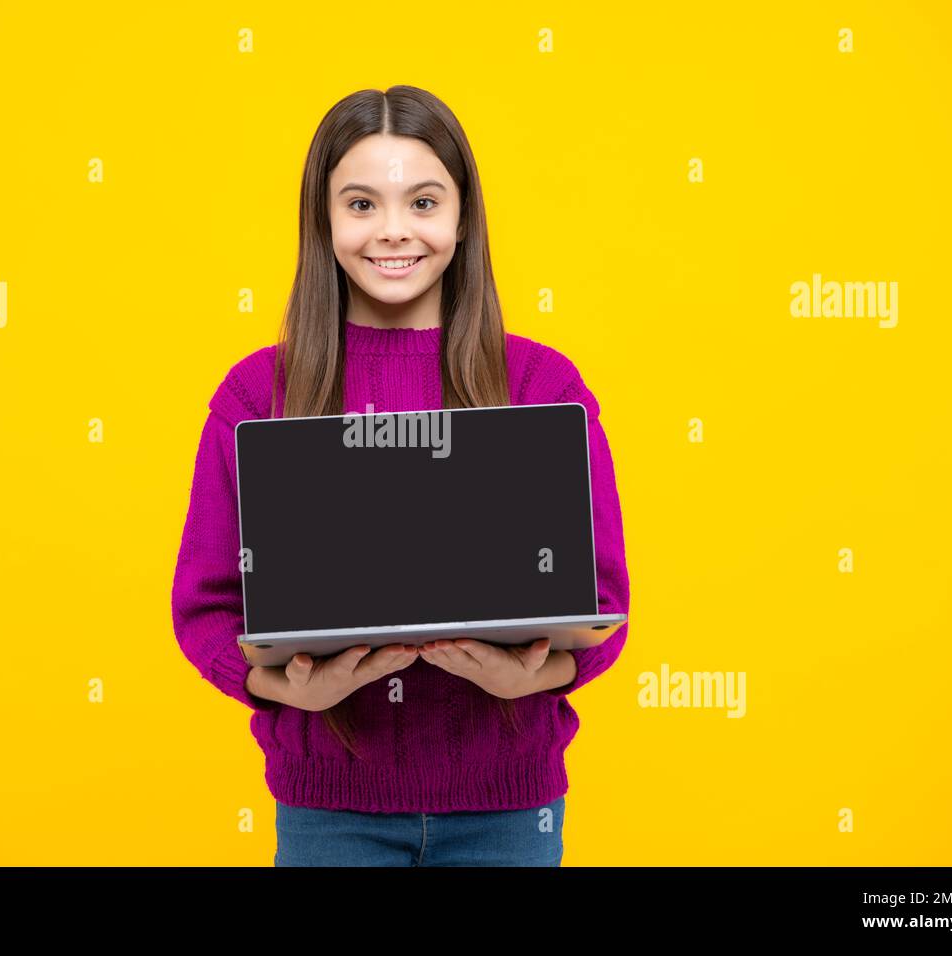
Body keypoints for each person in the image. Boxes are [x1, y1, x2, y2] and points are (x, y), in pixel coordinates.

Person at [171, 85, 631, 866]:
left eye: (422, 201)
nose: (392, 231)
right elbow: (206, 607)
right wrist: (279, 691)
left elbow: (605, 600)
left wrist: (541, 675)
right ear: (324, 222)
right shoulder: (257, 395)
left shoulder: (543, 385)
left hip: (512, 809)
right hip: (328, 810)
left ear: (463, 218)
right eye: (360, 204)